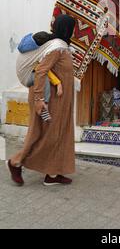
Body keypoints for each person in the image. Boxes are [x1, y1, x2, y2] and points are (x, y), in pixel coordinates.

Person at [7, 14, 76, 187]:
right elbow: (40, 71)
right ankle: (16, 162)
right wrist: (39, 99)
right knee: (41, 134)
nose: (74, 32)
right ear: (67, 29)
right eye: (72, 29)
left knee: (56, 135)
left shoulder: (61, 47)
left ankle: (52, 174)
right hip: (47, 101)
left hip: (57, 102)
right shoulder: (56, 48)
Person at [18, 31, 64, 122]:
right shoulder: (36, 54)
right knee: (43, 77)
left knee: (42, 75)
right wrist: (58, 83)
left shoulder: (29, 44)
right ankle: (44, 106)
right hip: (26, 77)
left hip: (25, 72)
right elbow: (43, 71)